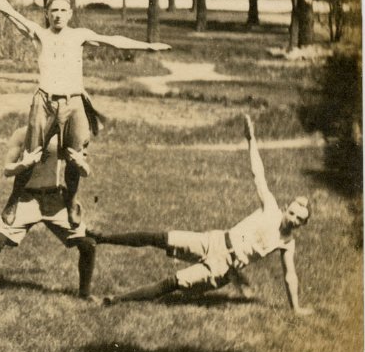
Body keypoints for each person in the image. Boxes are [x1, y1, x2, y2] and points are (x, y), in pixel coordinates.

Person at [0, 0, 170, 226]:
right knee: (31, 155)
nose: (58, 15)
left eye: (63, 10)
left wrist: (149, 46)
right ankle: (13, 199)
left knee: (75, 158)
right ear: (47, 13)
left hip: (74, 103)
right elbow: (7, 9)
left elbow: (114, 41)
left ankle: (72, 200)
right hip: (44, 103)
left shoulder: (79, 35)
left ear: (70, 13)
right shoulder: (39, 34)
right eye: (54, 10)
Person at [96, 115, 314, 314]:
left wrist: (296, 308)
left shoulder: (287, 243)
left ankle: (115, 300)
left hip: (223, 268)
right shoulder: (271, 207)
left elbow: (290, 275)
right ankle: (101, 238)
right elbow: (258, 173)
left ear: (302, 224)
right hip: (214, 240)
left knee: (172, 282)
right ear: (286, 207)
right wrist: (251, 139)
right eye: (293, 213)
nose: (293, 220)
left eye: (299, 219)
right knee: (159, 238)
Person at [0, 128, 97, 301]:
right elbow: (7, 169)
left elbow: (85, 172)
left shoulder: (64, 135)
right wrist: (23, 164)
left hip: (54, 198)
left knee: (88, 243)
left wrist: (80, 163)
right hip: (26, 198)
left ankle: (85, 294)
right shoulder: (22, 133)